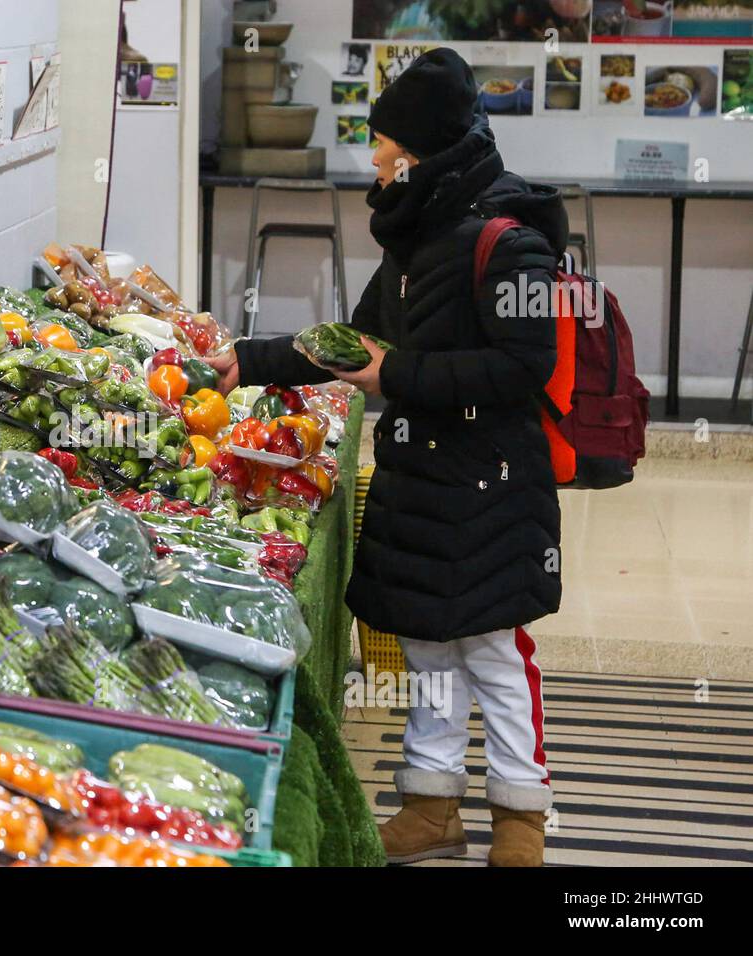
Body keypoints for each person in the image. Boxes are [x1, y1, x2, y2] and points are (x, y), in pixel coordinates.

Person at [208, 48, 565, 867]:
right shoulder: (419, 229)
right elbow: (352, 343)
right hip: (423, 473)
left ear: (418, 151)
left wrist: (395, 374)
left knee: (494, 648)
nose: (371, 157)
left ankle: (521, 815)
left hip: (495, 479)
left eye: (380, 142)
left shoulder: (511, 238)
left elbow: (525, 366)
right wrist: (249, 360)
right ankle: (433, 803)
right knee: (429, 641)